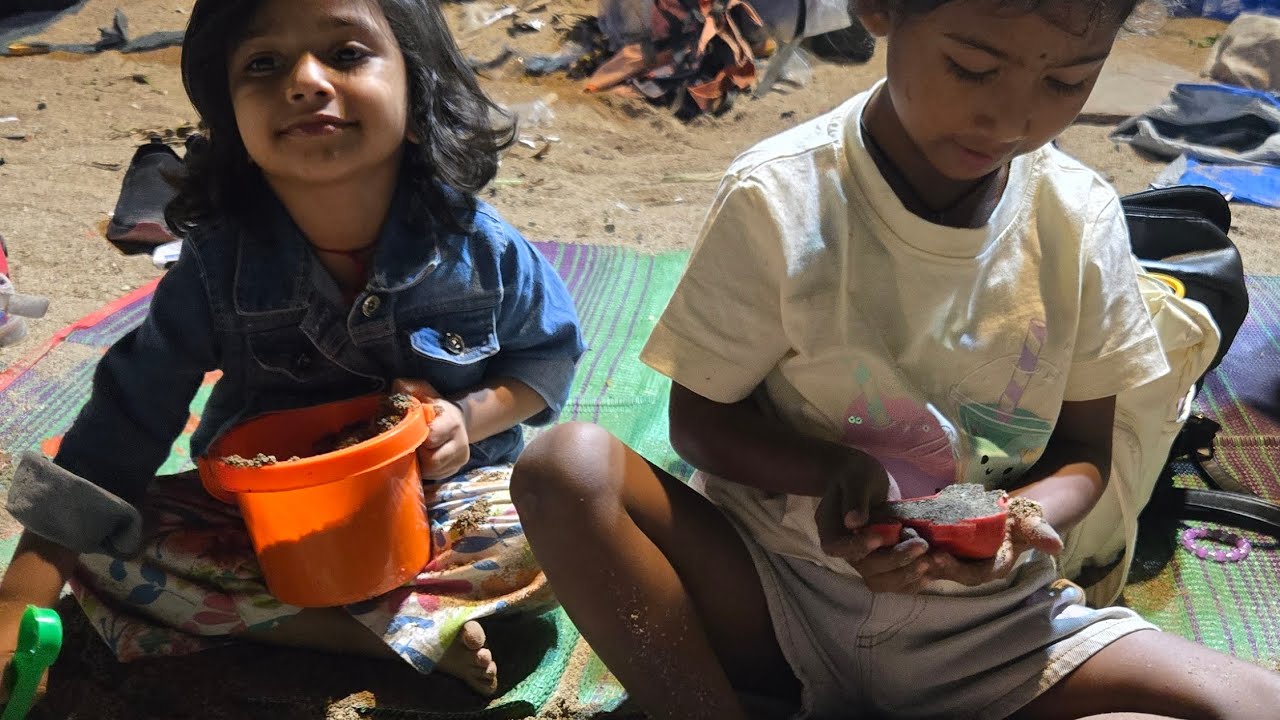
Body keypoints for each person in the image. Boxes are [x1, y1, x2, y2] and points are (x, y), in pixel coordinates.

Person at [509, 1, 1280, 718]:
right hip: (777, 593)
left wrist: (1022, 519)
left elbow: (1085, 452)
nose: (1011, 118)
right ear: (878, 10)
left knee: (1251, 700)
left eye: (1066, 81)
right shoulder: (779, 197)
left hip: (992, 628)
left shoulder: (1078, 217)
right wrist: (828, 474)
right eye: (973, 69)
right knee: (565, 469)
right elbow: (699, 423)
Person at [0, 0, 583, 701]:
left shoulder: (480, 247)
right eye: (263, 64)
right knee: (103, 549)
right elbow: (122, 426)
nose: (305, 81)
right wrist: (13, 611)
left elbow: (544, 359)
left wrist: (470, 418)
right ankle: (384, 634)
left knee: (559, 527)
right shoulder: (217, 267)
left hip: (438, 512)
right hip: (268, 533)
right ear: (230, 114)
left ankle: (318, 622)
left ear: (417, 82)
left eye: (345, 53)